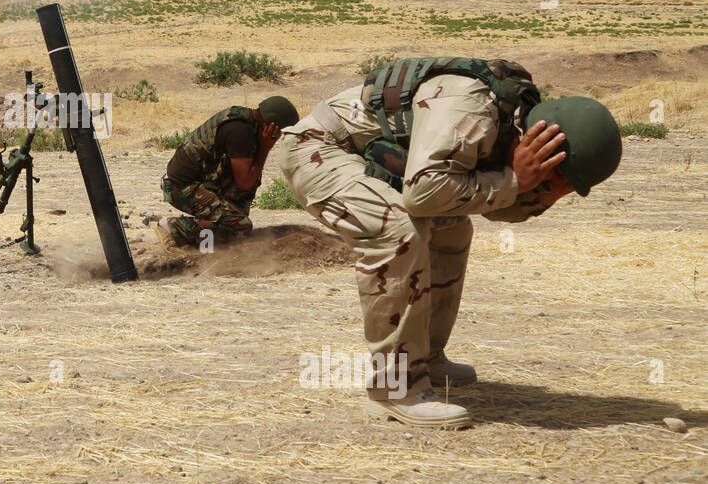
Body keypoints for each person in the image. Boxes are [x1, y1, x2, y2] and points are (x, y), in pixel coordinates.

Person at [275, 57, 621, 427]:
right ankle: (395, 389)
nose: (552, 193)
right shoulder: (471, 109)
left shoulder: (508, 121)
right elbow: (422, 194)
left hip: (366, 155)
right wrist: (516, 180)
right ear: (543, 145)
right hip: (320, 149)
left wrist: (526, 186)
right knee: (397, 230)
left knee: (452, 227)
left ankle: (425, 357)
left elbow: (490, 207)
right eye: (555, 181)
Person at [155, 95, 300, 250]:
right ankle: (171, 227)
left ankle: (206, 248)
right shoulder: (240, 131)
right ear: (271, 126)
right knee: (240, 226)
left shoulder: (246, 122)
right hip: (181, 188)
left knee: (234, 221)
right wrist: (265, 148)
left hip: (199, 181)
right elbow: (245, 182)